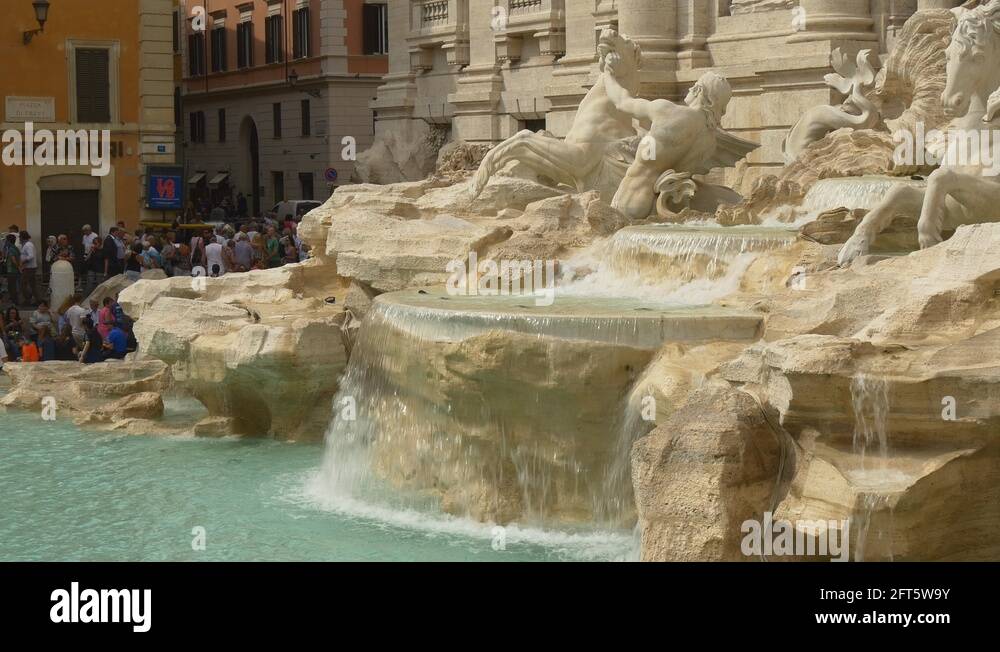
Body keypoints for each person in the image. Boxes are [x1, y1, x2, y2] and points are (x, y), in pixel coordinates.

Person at [18, 231, 41, 306]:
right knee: (32, 285)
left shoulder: (28, 245)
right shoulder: (27, 244)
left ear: (22, 237)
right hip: (29, 268)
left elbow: (31, 256)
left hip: (29, 268)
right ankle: (38, 300)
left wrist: (23, 262)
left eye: (19, 237)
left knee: (22, 285)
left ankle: (28, 299)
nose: (19, 238)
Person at [3, 233, 21, 306]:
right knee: (14, 287)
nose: (5, 242)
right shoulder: (15, 248)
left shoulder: (11, 249)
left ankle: (15, 302)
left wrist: (18, 267)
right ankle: (15, 300)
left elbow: (13, 260)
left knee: (12, 287)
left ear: (9, 241)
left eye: (6, 241)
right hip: (14, 271)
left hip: (12, 271)